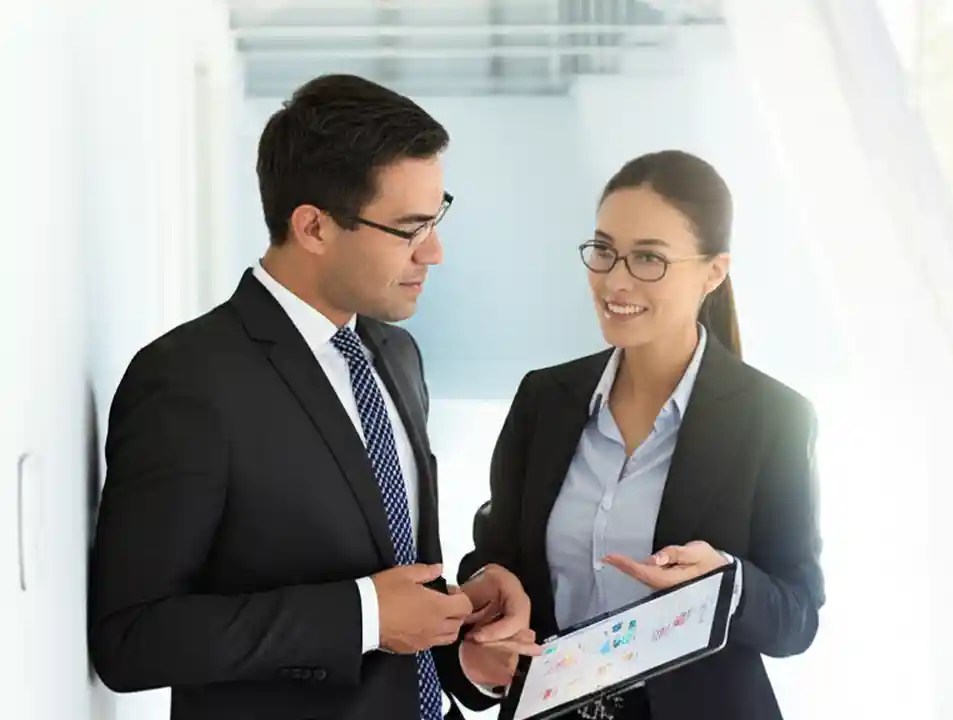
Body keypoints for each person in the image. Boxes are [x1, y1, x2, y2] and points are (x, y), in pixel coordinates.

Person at [88, 74, 536, 720]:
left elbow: (394, 596)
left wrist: (464, 640)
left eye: (437, 218)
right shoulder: (187, 382)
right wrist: (364, 615)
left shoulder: (397, 357)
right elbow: (130, 639)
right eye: (409, 229)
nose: (434, 252)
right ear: (313, 227)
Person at [457, 150, 824, 719]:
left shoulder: (772, 417)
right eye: (604, 251)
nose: (615, 280)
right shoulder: (544, 399)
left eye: (649, 258)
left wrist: (726, 582)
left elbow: (797, 616)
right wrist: (485, 610)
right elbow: (495, 560)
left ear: (713, 272)